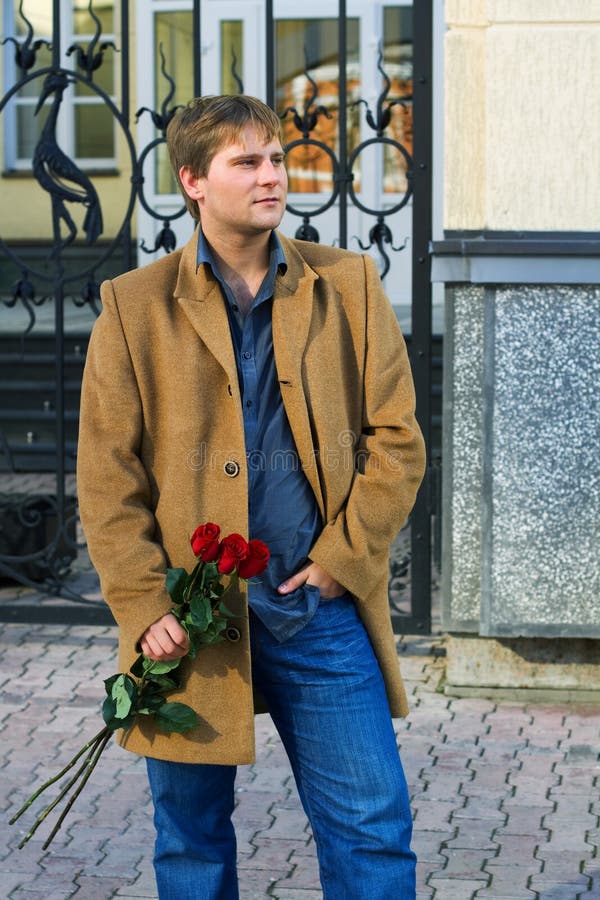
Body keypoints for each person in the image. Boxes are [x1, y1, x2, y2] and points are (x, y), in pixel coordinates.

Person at [77, 94, 426, 900]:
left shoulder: (348, 284)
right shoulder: (133, 306)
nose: (272, 176)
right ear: (193, 180)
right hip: (186, 622)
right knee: (191, 844)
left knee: (374, 828)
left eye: (275, 158)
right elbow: (107, 476)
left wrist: (342, 560)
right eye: (247, 162)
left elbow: (398, 440)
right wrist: (143, 605)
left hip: (316, 607)